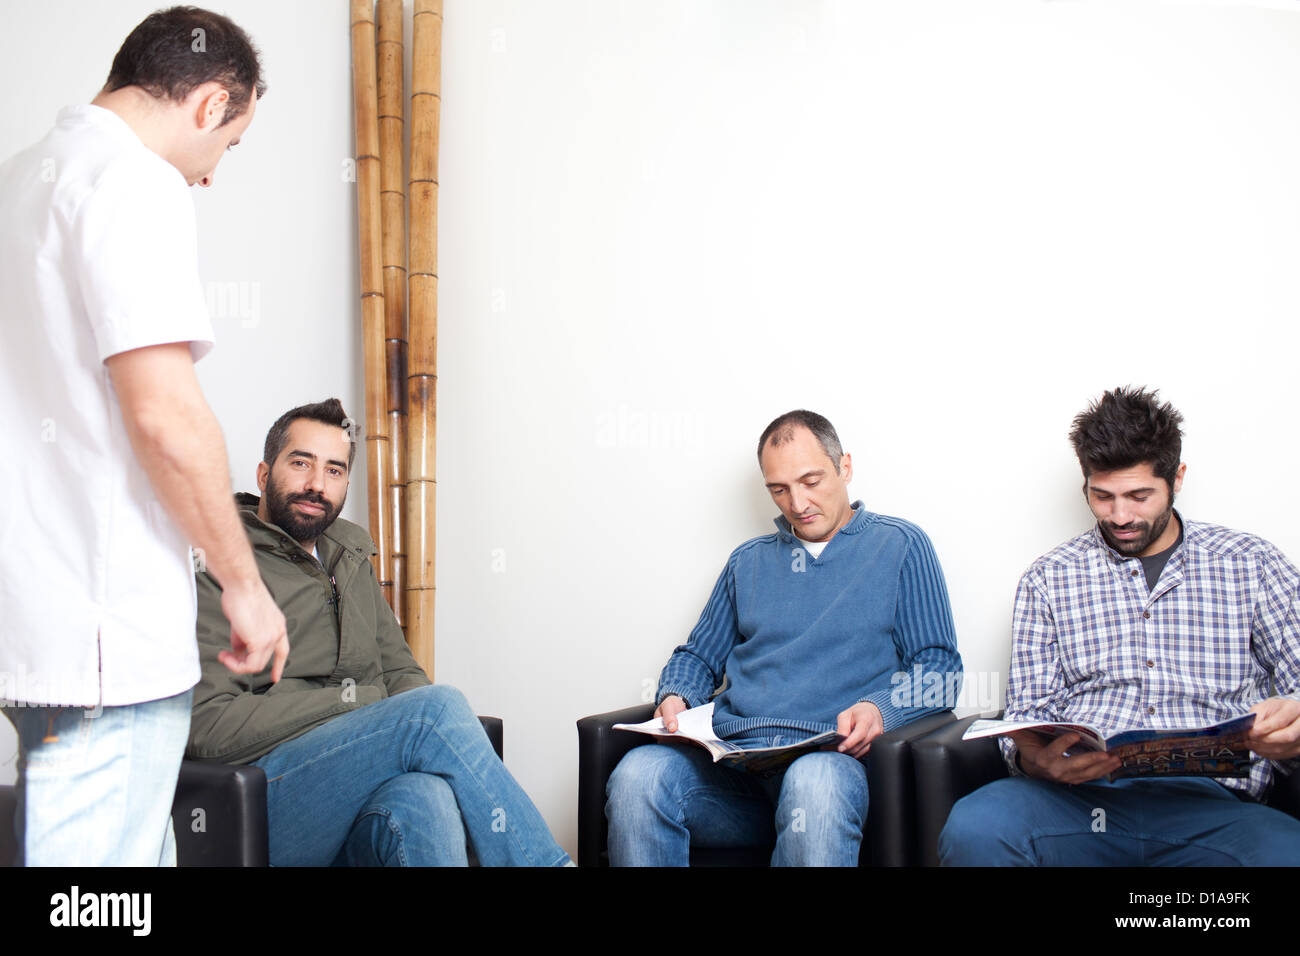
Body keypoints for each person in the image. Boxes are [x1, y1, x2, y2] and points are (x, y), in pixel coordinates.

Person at [0, 6, 287, 866]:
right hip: (105, 634)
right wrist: (243, 584)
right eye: (229, 145)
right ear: (208, 105)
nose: (210, 177)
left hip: (32, 624)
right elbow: (165, 413)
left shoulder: (20, 179)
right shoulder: (134, 181)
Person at [187, 399, 572, 866]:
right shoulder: (223, 566)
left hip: (351, 790)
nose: (316, 484)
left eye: (334, 470)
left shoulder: (348, 556)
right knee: (436, 709)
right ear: (264, 475)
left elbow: (400, 672)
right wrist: (355, 704)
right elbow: (206, 726)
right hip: (266, 795)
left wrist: (384, 717)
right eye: (301, 463)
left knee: (424, 797)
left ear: (346, 483)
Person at [940, 386, 1300, 866]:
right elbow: (1028, 715)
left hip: (1211, 809)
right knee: (976, 826)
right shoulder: (1048, 579)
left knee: (1284, 850)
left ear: (1177, 478)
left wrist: (1291, 727)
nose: (1121, 516)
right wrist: (1033, 759)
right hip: (1077, 801)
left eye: (1139, 495)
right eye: (1102, 496)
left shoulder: (1252, 564)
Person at [605, 409, 963, 866]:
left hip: (831, 767)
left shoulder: (901, 546)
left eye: (811, 481)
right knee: (639, 774)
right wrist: (676, 695)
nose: (797, 503)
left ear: (845, 467)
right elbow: (696, 657)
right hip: (738, 771)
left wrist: (881, 708)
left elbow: (940, 669)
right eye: (779, 489)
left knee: (813, 782)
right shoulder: (747, 562)